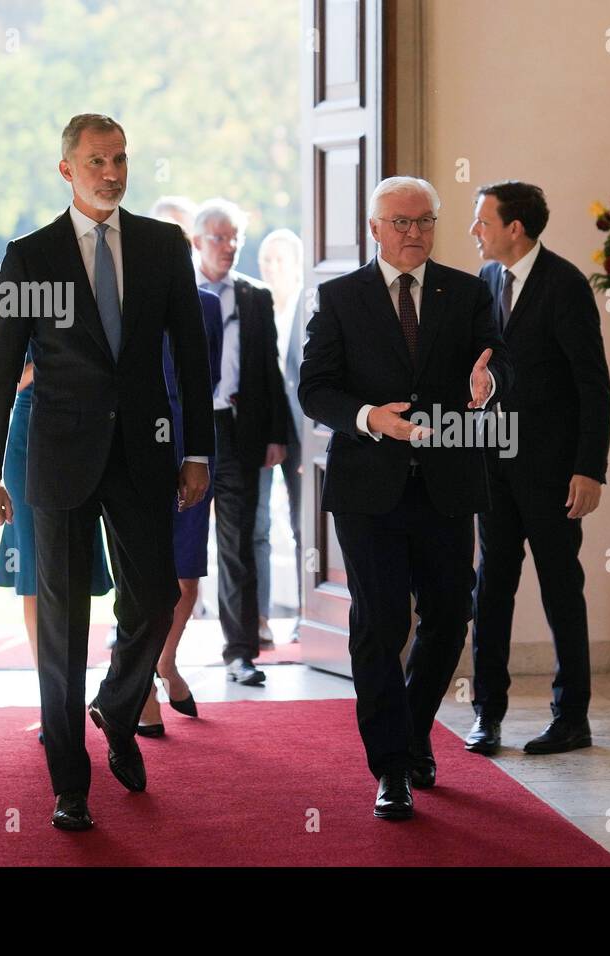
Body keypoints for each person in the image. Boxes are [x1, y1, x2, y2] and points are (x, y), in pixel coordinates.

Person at [0, 114, 214, 832]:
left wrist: (197, 451)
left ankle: (114, 702)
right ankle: (69, 783)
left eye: (120, 159)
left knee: (156, 597)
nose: (113, 172)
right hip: (59, 459)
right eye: (97, 161)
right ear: (66, 170)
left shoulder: (162, 244)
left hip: (144, 453)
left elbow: (191, 356)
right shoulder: (31, 255)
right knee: (63, 625)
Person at [299, 176, 512, 820]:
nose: (413, 232)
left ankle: (414, 729)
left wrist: (489, 382)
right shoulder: (340, 297)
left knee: (450, 616)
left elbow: (495, 358)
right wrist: (368, 416)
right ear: (374, 228)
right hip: (370, 489)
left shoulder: (468, 291)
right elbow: (315, 389)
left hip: (448, 482)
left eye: (423, 221)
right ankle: (391, 767)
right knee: (383, 622)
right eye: (399, 222)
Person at [467, 181, 610, 756]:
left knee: (560, 589)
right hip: (492, 465)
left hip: (554, 472)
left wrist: (590, 469)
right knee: (491, 588)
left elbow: (593, 384)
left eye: (483, 221)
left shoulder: (566, 285)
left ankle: (571, 716)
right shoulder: (485, 281)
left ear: (515, 228)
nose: (475, 231)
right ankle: (488, 714)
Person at [0, 348, 114, 744]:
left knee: (77, 568)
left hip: (98, 423)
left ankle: (121, 690)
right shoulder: (24, 289)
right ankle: (55, 703)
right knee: (36, 573)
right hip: (31, 429)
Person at [136, 198, 225, 735]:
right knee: (144, 571)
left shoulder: (207, 305)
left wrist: (199, 451)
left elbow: (203, 385)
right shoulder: (125, 302)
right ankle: (141, 680)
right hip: (138, 446)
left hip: (192, 444)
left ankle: (165, 660)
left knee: (186, 575)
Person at [191, 199, 289, 686]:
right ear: (196, 242)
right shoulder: (173, 293)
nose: (229, 247)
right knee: (174, 547)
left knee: (238, 546)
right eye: (219, 238)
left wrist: (276, 434)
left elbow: (269, 370)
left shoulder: (254, 296)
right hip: (182, 433)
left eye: (235, 239)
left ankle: (240, 652)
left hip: (235, 431)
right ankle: (152, 655)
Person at [255, 229, 305, 641]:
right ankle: (259, 619)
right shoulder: (254, 303)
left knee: (304, 523)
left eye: (279, 261)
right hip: (262, 432)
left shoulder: (309, 307)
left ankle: (310, 616)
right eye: (266, 261)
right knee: (258, 528)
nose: (271, 268)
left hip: (304, 435)